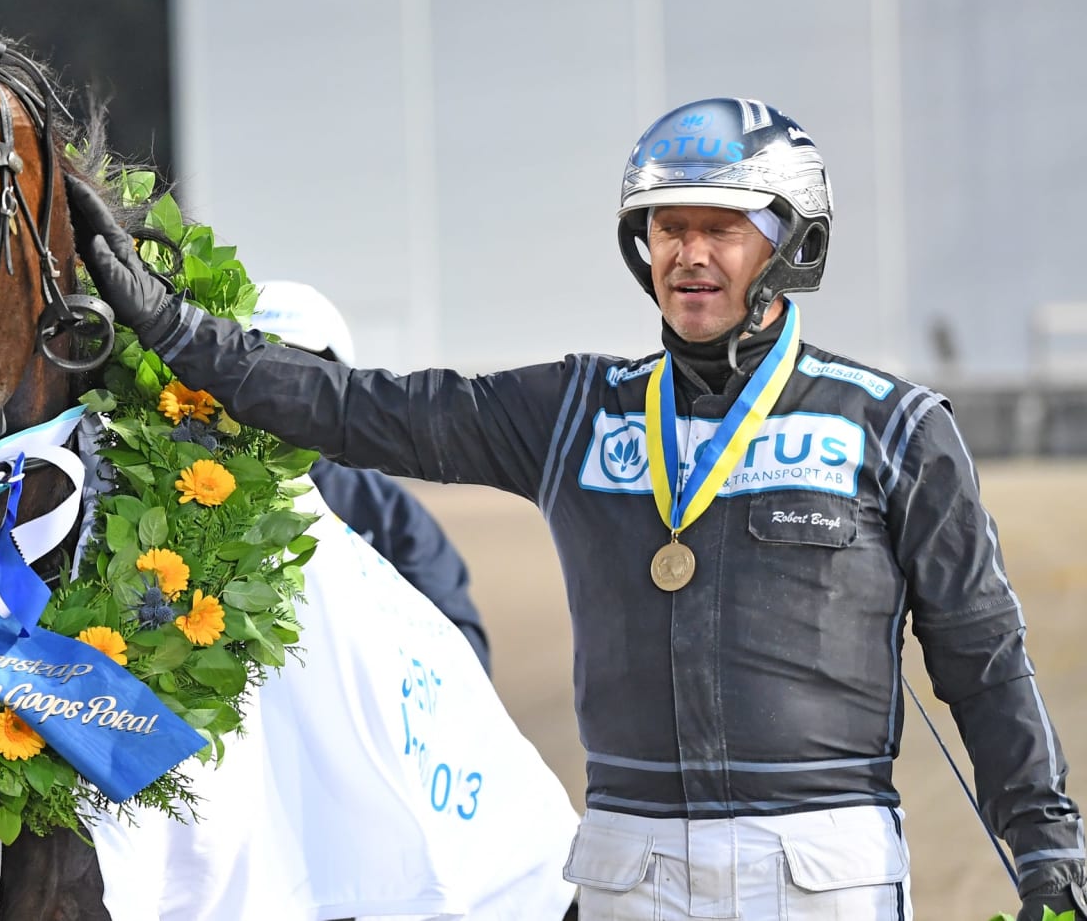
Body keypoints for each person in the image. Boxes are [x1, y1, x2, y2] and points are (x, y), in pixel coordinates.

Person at [68, 98, 1085, 919]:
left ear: (793, 241)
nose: (688, 255)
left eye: (723, 229)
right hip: (625, 866)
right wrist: (171, 327)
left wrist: (1046, 853)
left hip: (821, 869)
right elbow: (356, 410)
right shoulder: (570, 410)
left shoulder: (894, 426)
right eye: (667, 228)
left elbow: (983, 659)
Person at [249, 280, 490, 674]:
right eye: (260, 369)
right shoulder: (174, 490)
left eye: (303, 371)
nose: (280, 392)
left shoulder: (384, 510)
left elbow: (463, 655)